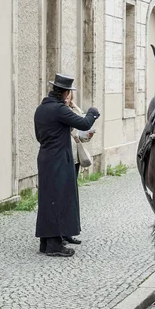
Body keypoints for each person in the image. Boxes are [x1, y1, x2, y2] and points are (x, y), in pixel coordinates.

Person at [35, 74, 100, 257]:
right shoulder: (59, 110)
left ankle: (45, 242)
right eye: (69, 92)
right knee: (60, 198)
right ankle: (55, 245)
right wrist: (92, 112)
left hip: (45, 158)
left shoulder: (41, 109)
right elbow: (85, 123)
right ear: (64, 93)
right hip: (59, 160)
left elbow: (38, 136)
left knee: (48, 199)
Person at [62, 91, 96, 245]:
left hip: (74, 159)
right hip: (63, 158)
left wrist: (86, 136)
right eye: (66, 95)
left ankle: (67, 232)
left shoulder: (72, 111)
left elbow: (82, 130)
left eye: (70, 95)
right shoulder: (61, 112)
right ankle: (60, 233)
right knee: (63, 197)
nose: (68, 98)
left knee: (71, 197)